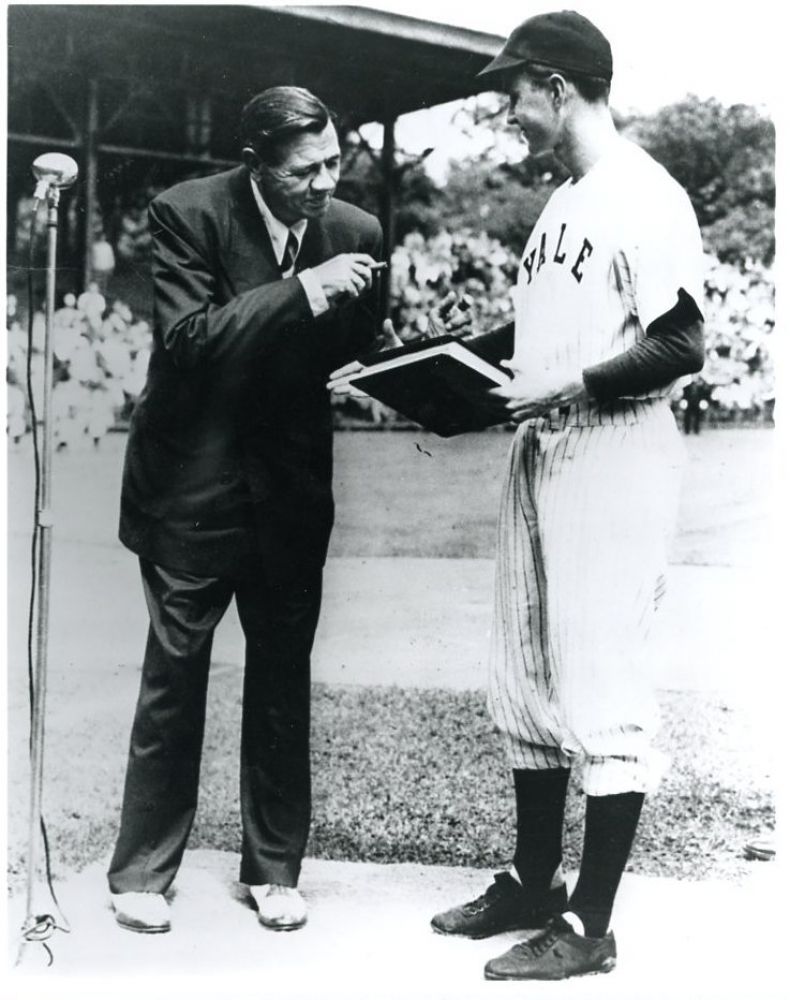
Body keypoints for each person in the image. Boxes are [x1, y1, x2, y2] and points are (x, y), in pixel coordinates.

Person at [425, 12, 706, 982]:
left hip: (613, 450)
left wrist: (572, 386)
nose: (508, 111)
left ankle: (588, 927)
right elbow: (535, 338)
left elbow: (681, 342)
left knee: (601, 684)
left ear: (554, 85)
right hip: (543, 447)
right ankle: (534, 880)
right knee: (524, 671)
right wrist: (435, 382)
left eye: (513, 92)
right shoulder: (561, 206)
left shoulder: (644, 194)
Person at [108, 85, 401, 936]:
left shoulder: (356, 232)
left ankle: (275, 870)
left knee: (281, 681)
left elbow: (360, 346)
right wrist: (304, 290)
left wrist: (406, 362)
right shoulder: (186, 214)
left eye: (333, 164)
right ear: (257, 165)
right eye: (304, 171)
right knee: (174, 679)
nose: (323, 185)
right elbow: (190, 341)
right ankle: (141, 873)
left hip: (290, 496)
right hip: (189, 493)